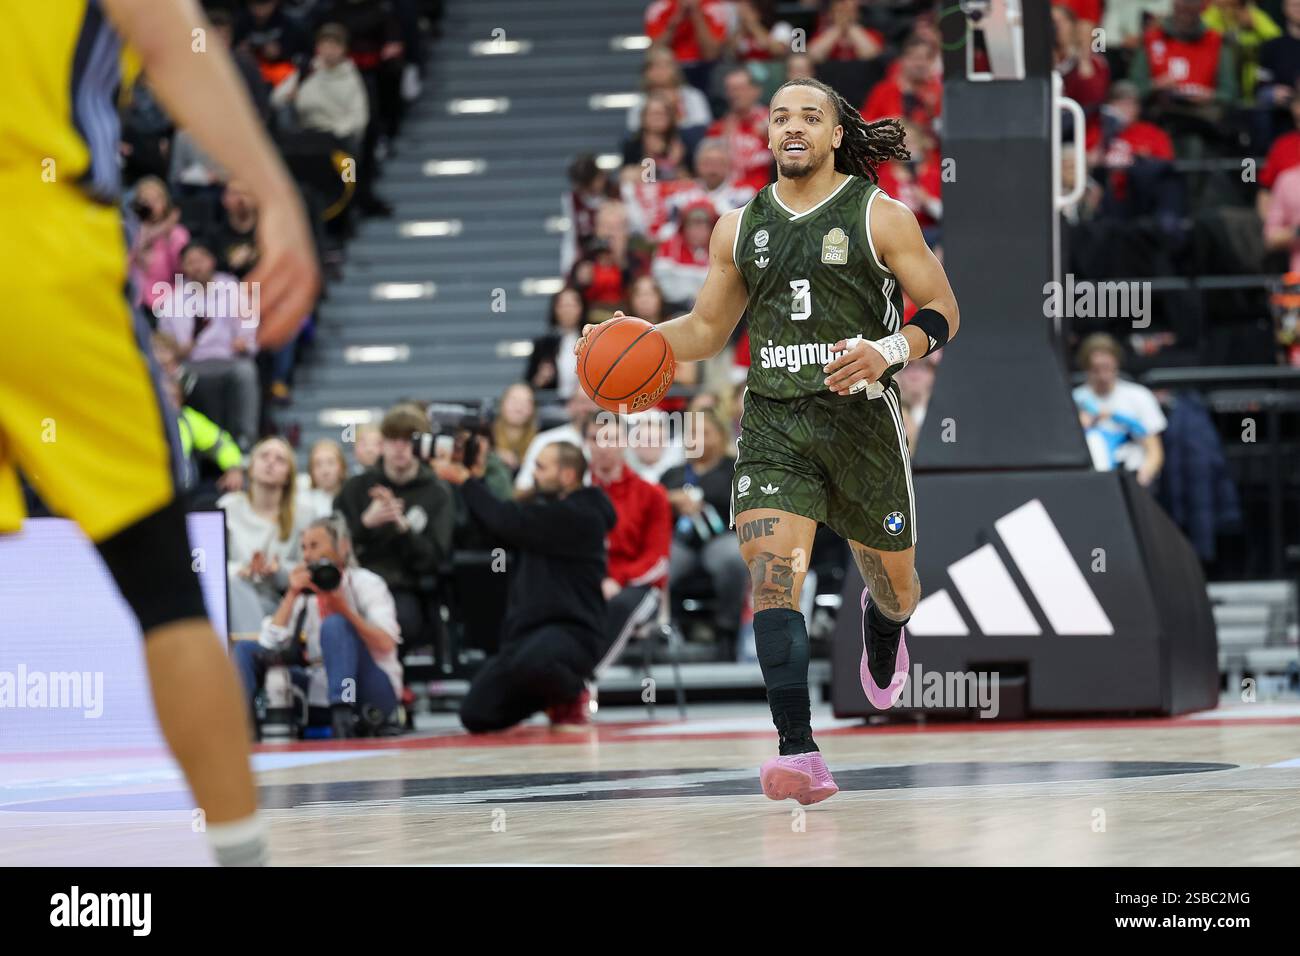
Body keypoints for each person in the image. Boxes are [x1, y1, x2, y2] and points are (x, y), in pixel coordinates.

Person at [575, 77, 960, 805]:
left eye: (810, 116)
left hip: (862, 428)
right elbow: (704, 332)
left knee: (897, 587)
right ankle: (799, 753)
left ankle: (886, 625)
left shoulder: (883, 217)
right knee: (773, 577)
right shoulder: (736, 227)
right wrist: (628, 337)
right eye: (781, 116)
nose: (793, 126)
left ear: (836, 133)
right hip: (777, 425)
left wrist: (889, 351)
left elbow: (943, 310)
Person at [0, 0, 318, 867]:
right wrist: (275, 190)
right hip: (33, 248)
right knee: (162, 590)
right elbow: (168, 37)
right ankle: (239, 853)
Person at [438, 440, 616, 731]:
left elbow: (508, 520)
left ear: (568, 475)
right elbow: (494, 527)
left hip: (573, 633)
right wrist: (476, 479)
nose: (534, 473)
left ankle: (573, 693)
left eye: (542, 467)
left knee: (533, 661)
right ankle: (550, 699)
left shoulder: (583, 515)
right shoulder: (538, 509)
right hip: (525, 636)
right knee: (477, 713)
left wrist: (467, 482)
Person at [234, 517, 402, 740]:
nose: (307, 556)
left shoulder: (367, 583)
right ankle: (239, 729)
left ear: (342, 546)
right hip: (319, 693)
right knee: (245, 649)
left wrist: (344, 610)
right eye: (303, 548)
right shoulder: (306, 592)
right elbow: (269, 643)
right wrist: (291, 595)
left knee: (336, 625)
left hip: (364, 689)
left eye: (314, 546)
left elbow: (385, 643)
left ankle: (343, 720)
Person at [333, 404, 454, 658]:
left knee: (398, 624)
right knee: (335, 625)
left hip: (405, 588)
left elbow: (435, 559)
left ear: (422, 447)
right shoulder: (356, 488)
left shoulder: (437, 493)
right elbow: (332, 547)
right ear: (383, 443)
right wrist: (364, 525)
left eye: (409, 440)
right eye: (392, 439)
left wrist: (403, 529)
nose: (400, 448)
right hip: (355, 583)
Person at [584, 415, 673, 663]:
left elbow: (657, 561)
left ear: (625, 442)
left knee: (621, 605)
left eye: (611, 439)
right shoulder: (576, 492)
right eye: (595, 439)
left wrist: (617, 580)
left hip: (637, 587)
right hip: (588, 582)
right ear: (585, 444)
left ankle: (586, 680)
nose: (603, 447)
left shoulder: (652, 494)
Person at [659, 407, 749, 652]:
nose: (696, 439)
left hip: (722, 537)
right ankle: (665, 627)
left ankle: (727, 628)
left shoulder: (735, 468)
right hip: (682, 542)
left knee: (732, 556)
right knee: (659, 561)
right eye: (692, 433)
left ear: (720, 436)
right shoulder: (673, 474)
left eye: (704, 432)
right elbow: (652, 507)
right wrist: (671, 500)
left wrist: (704, 499)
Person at [220, 436, 304, 629]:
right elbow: (210, 564)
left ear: (288, 476)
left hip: (280, 603)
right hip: (234, 596)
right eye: (264, 456)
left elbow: (307, 568)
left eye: (280, 459)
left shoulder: (303, 515)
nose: (270, 462)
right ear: (251, 467)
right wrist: (242, 569)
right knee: (233, 584)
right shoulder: (228, 507)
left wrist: (277, 569)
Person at [1073, 333, 1167, 486]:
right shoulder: (1076, 399)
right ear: (1086, 367)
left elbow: (1155, 451)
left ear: (1116, 362)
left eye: (1107, 367)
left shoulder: (1139, 395)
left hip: (1133, 476)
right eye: (1096, 369)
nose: (1102, 375)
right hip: (1090, 479)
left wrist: (1145, 475)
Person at [296, 439, 348, 522]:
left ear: (342, 467)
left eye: (331, 463)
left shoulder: (351, 499)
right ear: (311, 471)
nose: (325, 471)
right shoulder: (301, 501)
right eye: (318, 464)